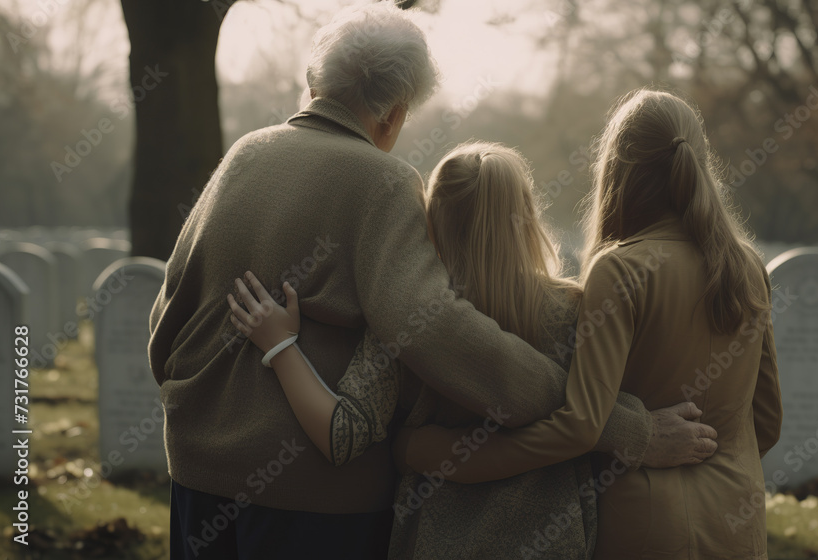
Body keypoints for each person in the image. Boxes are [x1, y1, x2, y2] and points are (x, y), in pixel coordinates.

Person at [148, 4, 715, 557]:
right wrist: (616, 426)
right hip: (308, 499)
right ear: (394, 114)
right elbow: (431, 329)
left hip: (195, 474)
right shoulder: (383, 179)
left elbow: (165, 319)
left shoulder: (244, 154)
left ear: (312, 80)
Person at [397, 89, 783, 559]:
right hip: (735, 520)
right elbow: (766, 420)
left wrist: (445, 456)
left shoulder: (619, 271)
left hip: (640, 522)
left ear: (618, 169)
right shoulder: (748, 266)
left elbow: (581, 425)